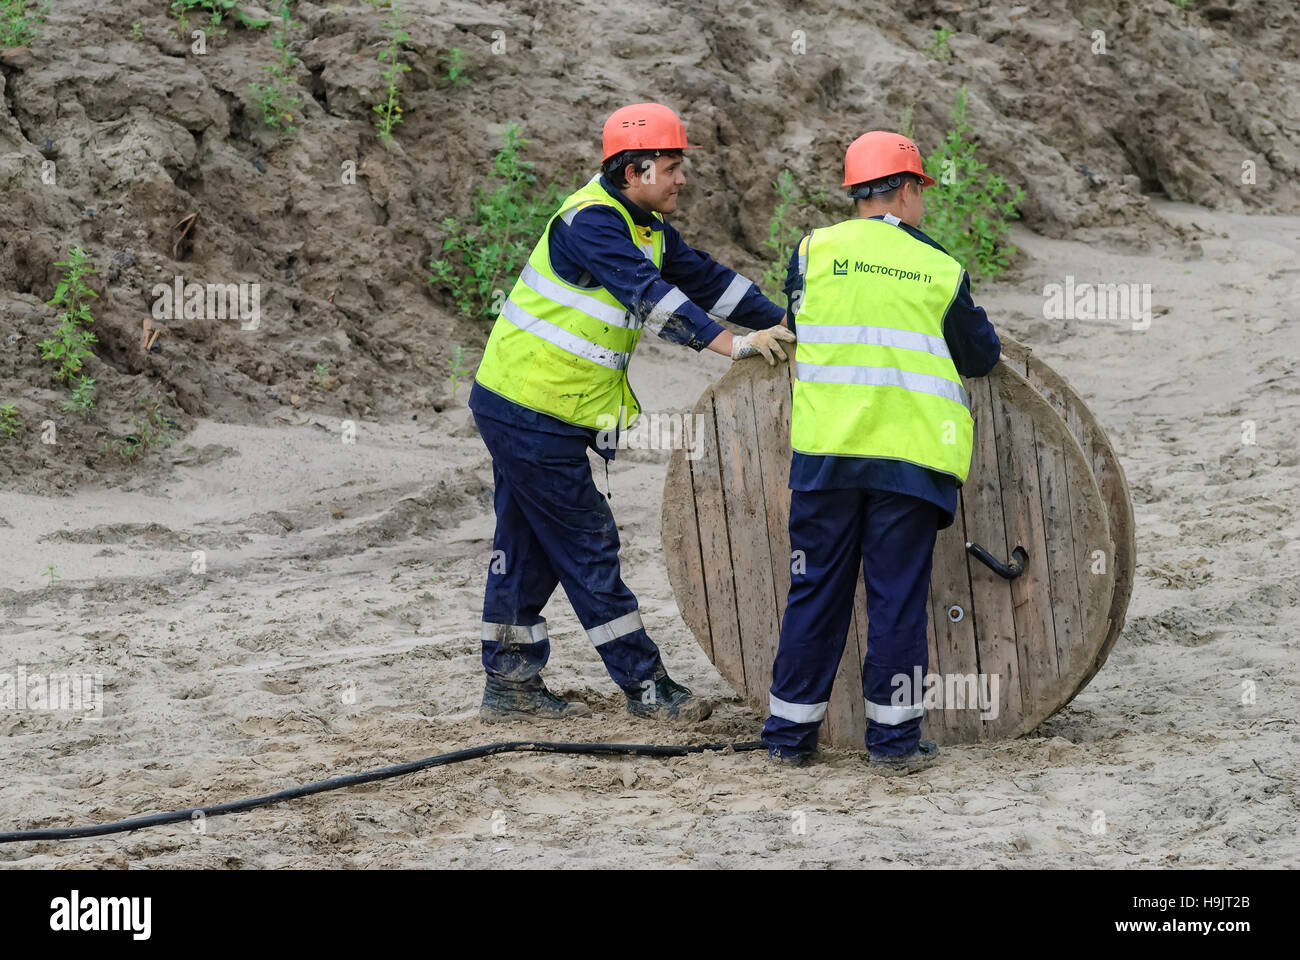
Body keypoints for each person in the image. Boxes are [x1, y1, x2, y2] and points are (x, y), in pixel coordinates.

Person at [469, 102, 796, 723]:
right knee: (587, 541)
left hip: (537, 408)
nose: (681, 180)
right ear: (633, 170)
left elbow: (705, 279)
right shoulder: (592, 222)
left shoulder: (642, 226)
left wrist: (781, 322)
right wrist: (732, 345)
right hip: (530, 410)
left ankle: (510, 686)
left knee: (524, 543)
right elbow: (651, 297)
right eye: (671, 168)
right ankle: (645, 685)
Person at [761, 130, 1001, 773]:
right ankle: (893, 745)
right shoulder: (940, 267)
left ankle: (788, 739)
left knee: (814, 591)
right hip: (909, 459)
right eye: (920, 190)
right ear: (905, 189)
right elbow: (981, 356)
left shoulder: (813, 250)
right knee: (895, 596)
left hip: (827, 455)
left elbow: (803, 321)